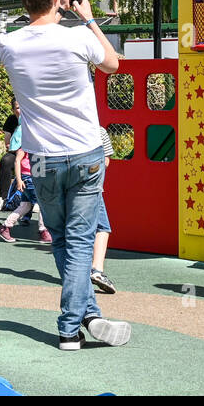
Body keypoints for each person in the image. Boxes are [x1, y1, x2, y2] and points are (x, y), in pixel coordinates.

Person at [0, 0, 131, 350]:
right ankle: (71, 326)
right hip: (84, 153)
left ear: (24, 1)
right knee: (79, 241)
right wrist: (88, 19)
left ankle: (88, 313)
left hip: (41, 158)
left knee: (61, 239)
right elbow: (113, 63)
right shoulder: (76, 37)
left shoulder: (9, 44)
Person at [90, 124, 116, 294]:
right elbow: (105, 161)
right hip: (91, 188)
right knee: (102, 227)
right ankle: (97, 270)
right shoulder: (98, 131)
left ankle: (72, 271)